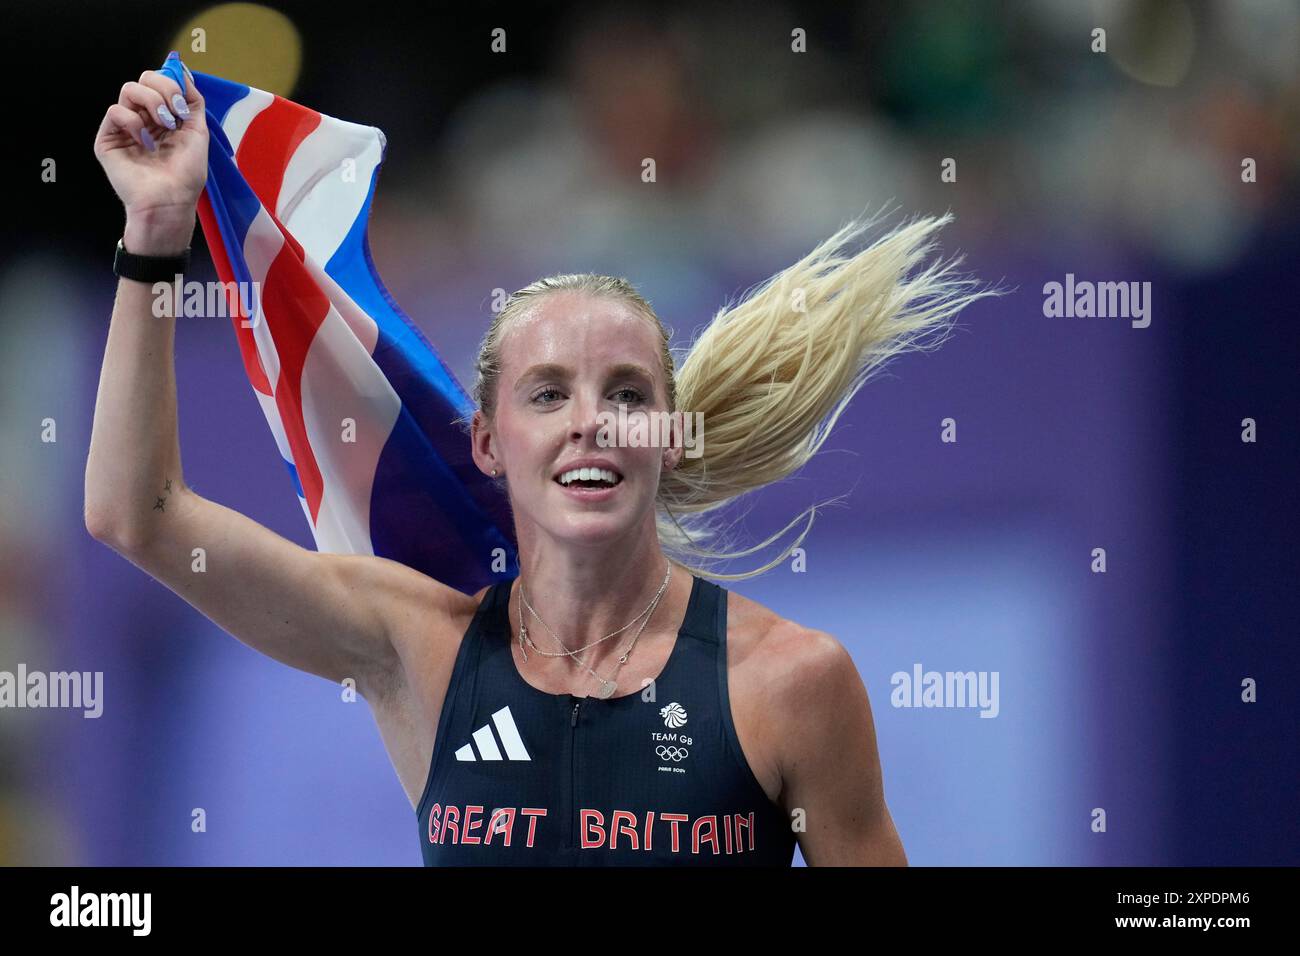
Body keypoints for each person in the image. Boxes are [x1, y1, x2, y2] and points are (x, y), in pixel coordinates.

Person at [87, 61, 992, 866]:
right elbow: (139, 515)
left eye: (628, 396)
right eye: (549, 395)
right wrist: (157, 233)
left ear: (670, 436)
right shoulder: (415, 648)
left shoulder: (790, 682)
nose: (589, 424)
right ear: (488, 442)